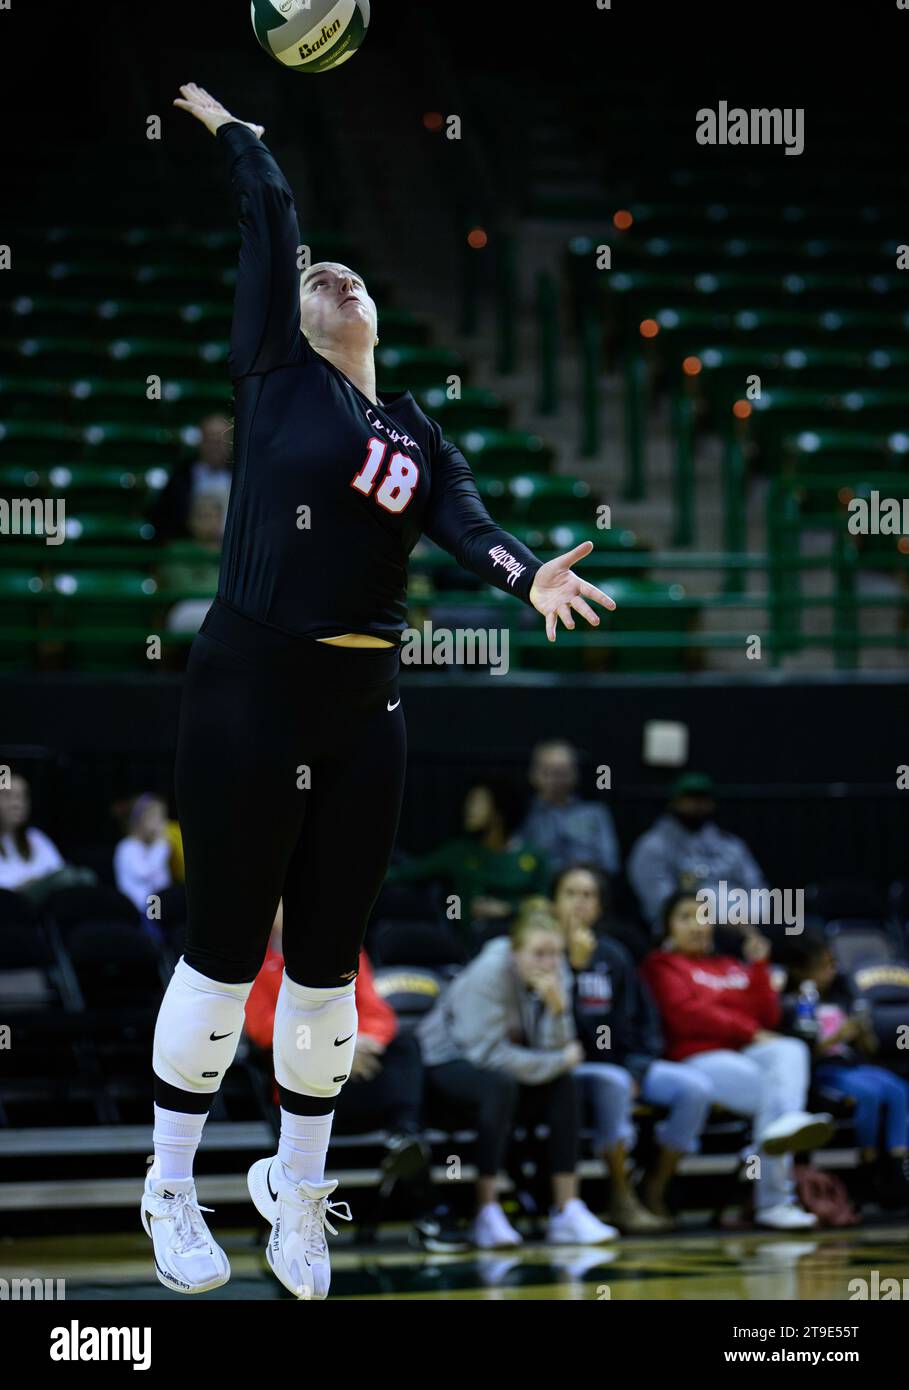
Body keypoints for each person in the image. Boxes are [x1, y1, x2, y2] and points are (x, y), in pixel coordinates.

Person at [141, 83, 616, 1303]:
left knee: (326, 974)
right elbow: (274, 218)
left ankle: (298, 1198)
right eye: (318, 277)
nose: (336, 281)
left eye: (350, 277)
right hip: (248, 690)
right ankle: (172, 1182)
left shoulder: (413, 435)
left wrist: (526, 576)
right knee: (220, 955)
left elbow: (471, 527)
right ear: (292, 313)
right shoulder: (272, 374)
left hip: (365, 710)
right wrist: (242, 135)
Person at [418, 897, 618, 1248]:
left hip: (508, 1065)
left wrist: (557, 1012)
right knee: (502, 1085)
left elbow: (559, 1049)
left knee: (564, 1085)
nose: (548, 963)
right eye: (538, 954)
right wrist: (556, 1062)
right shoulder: (490, 970)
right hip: (446, 1061)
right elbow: (486, 1053)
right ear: (515, 952)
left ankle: (566, 1210)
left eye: (555, 953)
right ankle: (487, 1211)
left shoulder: (559, 973)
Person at [641, 891, 834, 1231]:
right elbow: (687, 1015)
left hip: (743, 1052)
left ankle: (782, 1141)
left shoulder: (729, 966)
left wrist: (758, 966)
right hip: (695, 1058)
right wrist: (749, 1032)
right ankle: (773, 1199)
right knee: (774, 1098)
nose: (696, 925)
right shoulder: (660, 965)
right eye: (685, 917)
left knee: (791, 1051)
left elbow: (768, 1015)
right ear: (668, 927)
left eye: (702, 916)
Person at [553, 865, 714, 1229]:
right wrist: (575, 972)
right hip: (570, 1065)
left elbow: (643, 1022)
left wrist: (639, 1067)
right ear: (554, 903)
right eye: (571, 893)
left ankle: (654, 1186)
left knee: (695, 1088)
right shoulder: (546, 953)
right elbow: (556, 1029)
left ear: (599, 907)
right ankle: (620, 1194)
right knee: (614, 1080)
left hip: (624, 1064)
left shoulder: (614, 955)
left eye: (589, 895)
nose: (580, 903)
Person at [782, 936, 909, 1206]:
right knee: (870, 1095)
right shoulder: (794, 1004)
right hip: (824, 1071)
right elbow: (802, 1053)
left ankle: (897, 1164)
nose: (831, 971)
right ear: (800, 970)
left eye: (833, 964)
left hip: (852, 1065)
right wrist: (838, 1036)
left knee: (899, 1089)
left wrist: (862, 1032)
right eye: (823, 966)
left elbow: (868, 1048)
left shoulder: (840, 999)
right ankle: (867, 1162)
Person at [388, 777, 549, 947]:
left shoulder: (534, 857)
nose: (468, 809)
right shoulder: (459, 853)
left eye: (476, 803)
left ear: (499, 810)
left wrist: (506, 908)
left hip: (524, 942)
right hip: (469, 943)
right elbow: (406, 874)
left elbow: (544, 904)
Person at [627, 773, 766, 933]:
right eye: (690, 799)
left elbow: (759, 892)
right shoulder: (652, 846)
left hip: (743, 925)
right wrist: (720, 919)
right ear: (674, 802)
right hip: (683, 929)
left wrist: (742, 921)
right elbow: (661, 904)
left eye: (703, 799)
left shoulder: (731, 844)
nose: (697, 805)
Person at [516, 740, 620, 879]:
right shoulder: (521, 814)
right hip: (538, 889)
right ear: (533, 774)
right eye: (548, 771)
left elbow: (610, 864)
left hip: (586, 888)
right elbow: (515, 860)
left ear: (575, 774)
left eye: (562, 772)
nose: (555, 779)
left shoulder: (596, 813)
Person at [0, 771, 95, 903]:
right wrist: (29, 882)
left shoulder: (36, 837)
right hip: (10, 905)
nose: (17, 803)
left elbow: (57, 870)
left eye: (23, 796)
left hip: (45, 905)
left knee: (86, 876)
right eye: (8, 795)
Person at [148, 413, 233, 543]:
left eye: (220, 441)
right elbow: (163, 517)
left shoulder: (240, 478)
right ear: (201, 441)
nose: (215, 447)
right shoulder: (181, 476)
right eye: (210, 440)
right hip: (188, 550)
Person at [114, 795, 173, 918]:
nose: (162, 823)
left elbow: (163, 882)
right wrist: (161, 844)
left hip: (155, 908)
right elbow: (144, 872)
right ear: (141, 820)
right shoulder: (127, 847)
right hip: (138, 911)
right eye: (157, 817)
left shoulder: (151, 848)